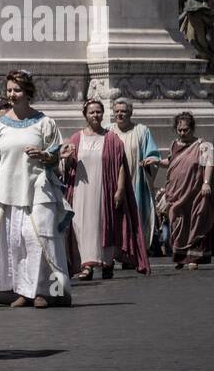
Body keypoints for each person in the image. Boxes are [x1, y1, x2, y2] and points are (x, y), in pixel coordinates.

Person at [0, 70, 71, 308]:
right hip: (8, 191)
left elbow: (56, 157)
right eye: (9, 90)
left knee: (37, 240)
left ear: (28, 92)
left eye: (16, 90)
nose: (12, 94)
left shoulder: (45, 123)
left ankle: (46, 291)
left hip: (38, 189)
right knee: (15, 241)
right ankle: (23, 291)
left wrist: (44, 155)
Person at [61, 99, 149, 280]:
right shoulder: (77, 138)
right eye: (91, 112)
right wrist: (67, 157)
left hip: (104, 189)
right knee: (81, 225)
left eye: (98, 112)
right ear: (85, 115)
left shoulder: (112, 139)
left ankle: (106, 262)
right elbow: (69, 165)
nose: (95, 115)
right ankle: (86, 265)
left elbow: (121, 166)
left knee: (103, 225)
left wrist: (120, 189)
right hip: (81, 191)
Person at [109, 97, 161, 261]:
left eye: (123, 111)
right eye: (117, 111)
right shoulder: (108, 131)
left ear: (130, 113)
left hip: (136, 183)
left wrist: (149, 162)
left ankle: (133, 255)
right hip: (113, 183)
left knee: (134, 218)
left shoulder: (142, 131)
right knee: (115, 218)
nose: (120, 114)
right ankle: (117, 253)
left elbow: (152, 154)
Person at [162, 111, 214, 270]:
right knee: (177, 223)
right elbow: (171, 162)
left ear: (192, 128)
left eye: (186, 130)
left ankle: (194, 258)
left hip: (195, 193)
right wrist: (156, 161)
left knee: (195, 224)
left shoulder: (203, 145)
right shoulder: (174, 145)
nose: (183, 133)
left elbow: (208, 164)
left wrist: (206, 183)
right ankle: (180, 256)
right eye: (180, 130)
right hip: (177, 193)